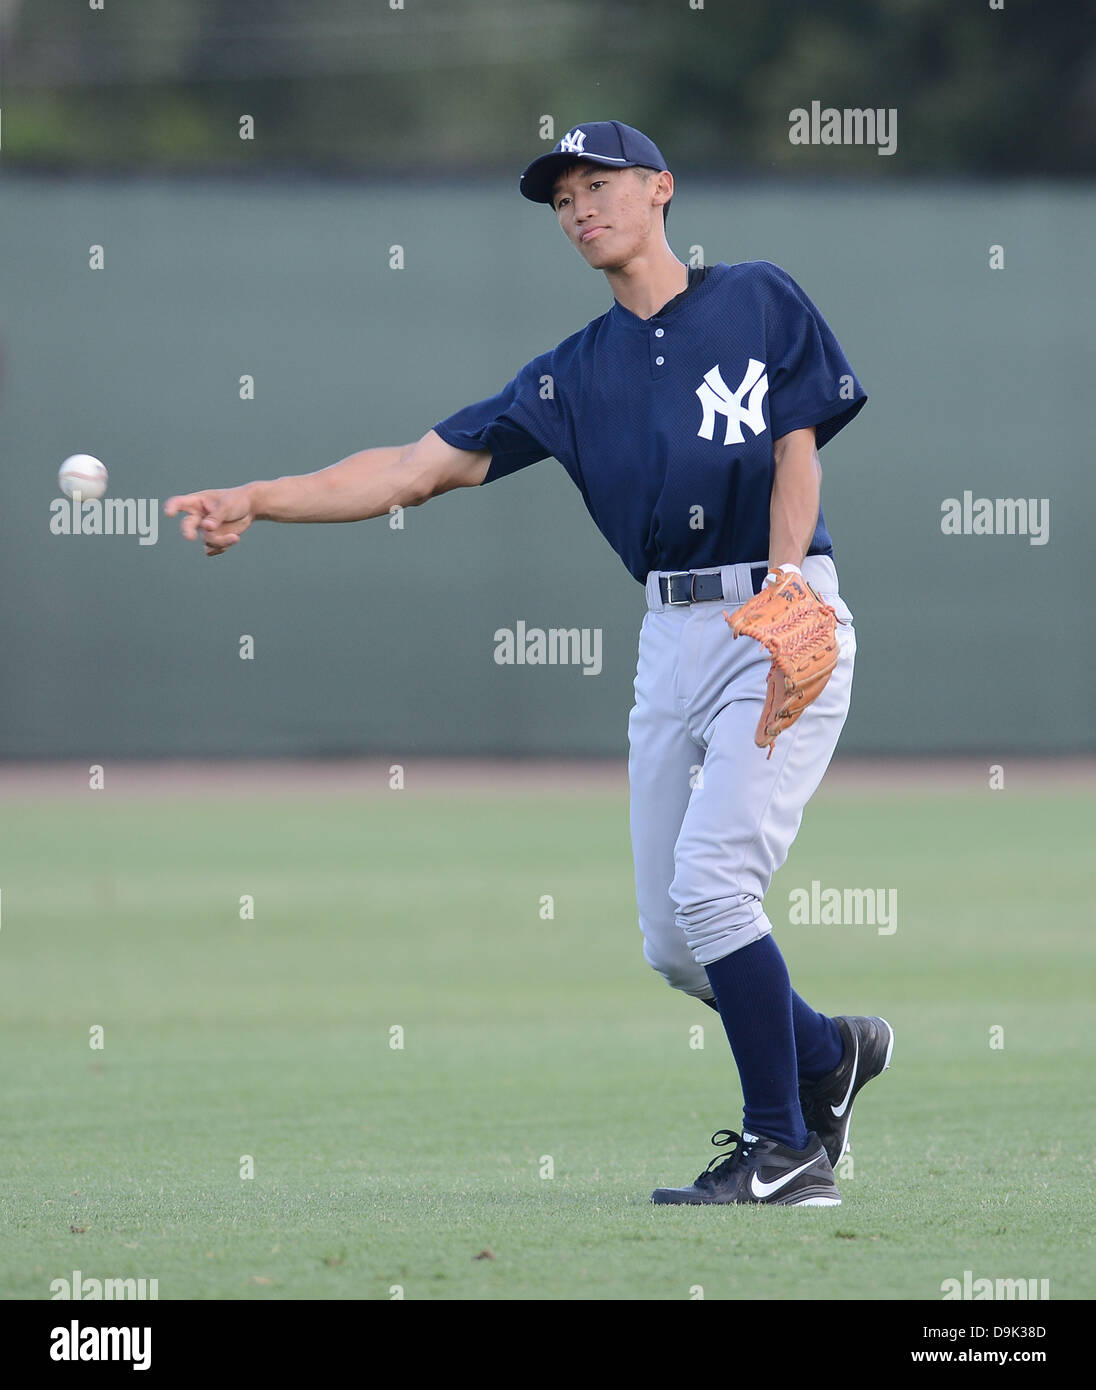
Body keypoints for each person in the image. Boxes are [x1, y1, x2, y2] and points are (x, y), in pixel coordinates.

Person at [166, 120, 892, 1207]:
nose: (581, 207)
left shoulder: (756, 298)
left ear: (661, 190)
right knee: (674, 941)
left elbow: (797, 444)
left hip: (777, 610)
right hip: (671, 635)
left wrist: (789, 583)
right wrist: (258, 498)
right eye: (562, 198)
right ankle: (828, 1053)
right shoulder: (569, 377)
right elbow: (411, 469)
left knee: (713, 884)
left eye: (600, 184)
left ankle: (783, 1149)